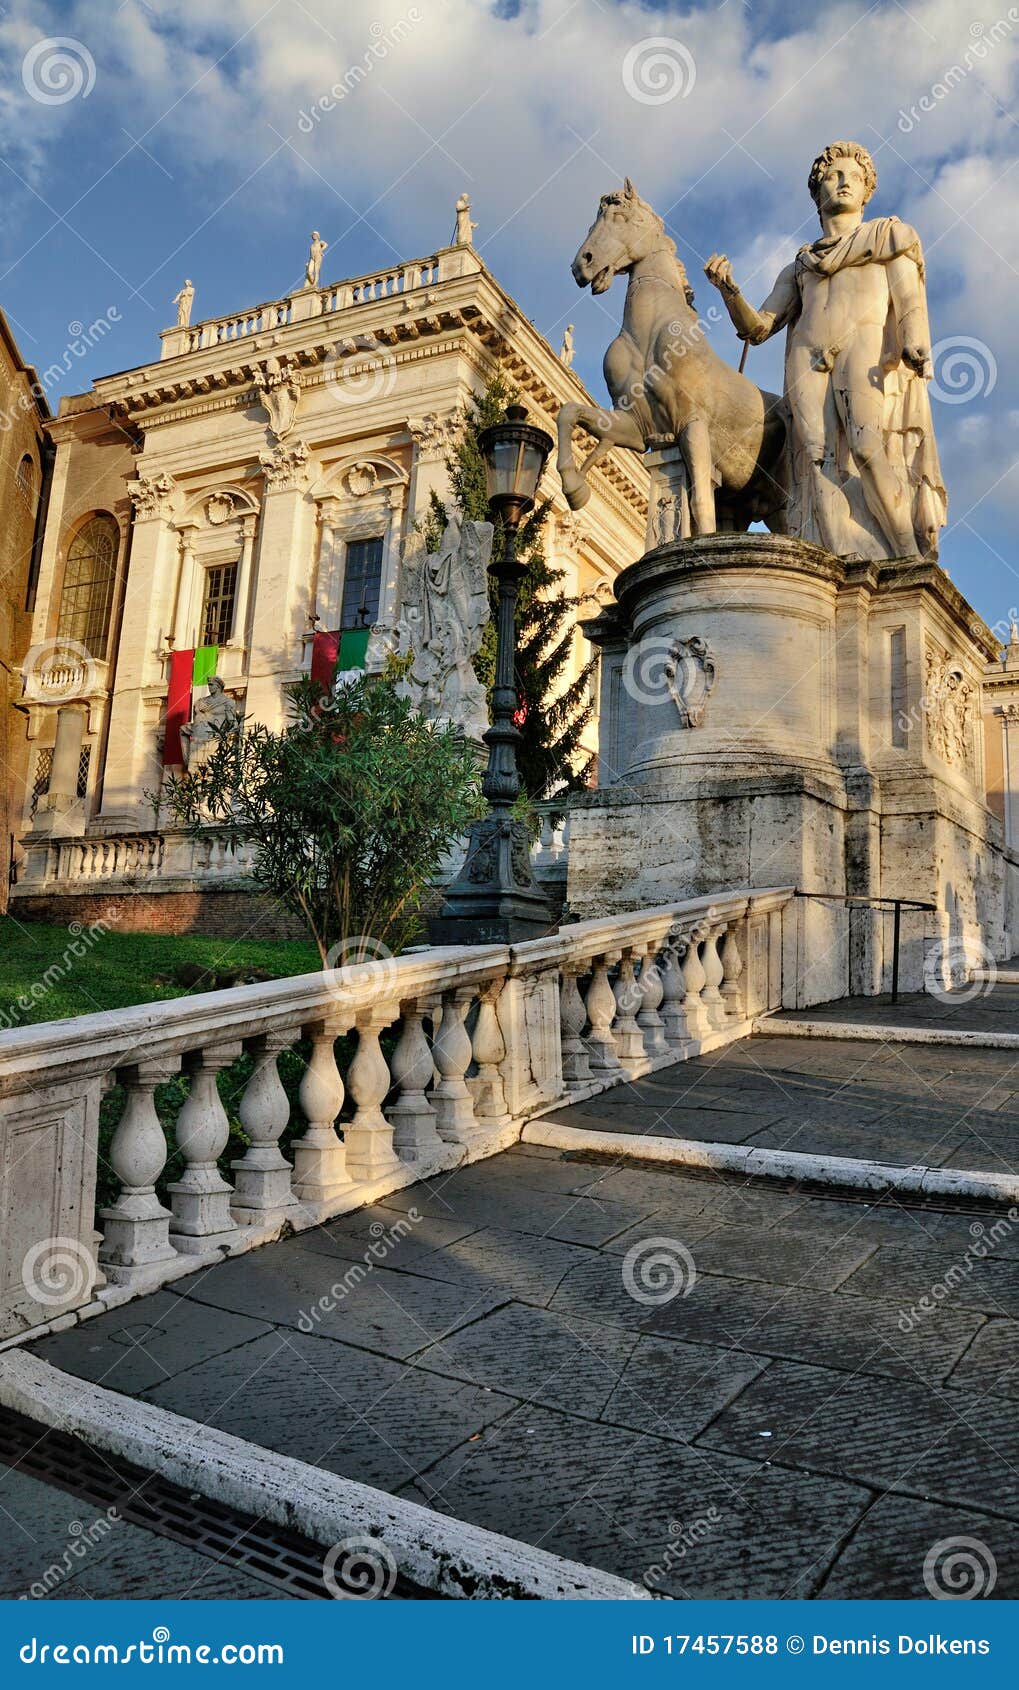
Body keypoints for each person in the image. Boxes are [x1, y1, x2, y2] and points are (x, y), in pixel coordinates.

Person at [704, 141, 945, 560]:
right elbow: (758, 328)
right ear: (818, 193)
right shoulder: (800, 264)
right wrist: (729, 290)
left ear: (867, 190)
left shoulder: (889, 235)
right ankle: (834, 556)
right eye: (834, 176)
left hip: (863, 344)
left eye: (854, 176)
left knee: (866, 445)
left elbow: (909, 298)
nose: (844, 182)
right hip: (807, 353)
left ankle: (908, 559)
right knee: (811, 461)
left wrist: (914, 339)